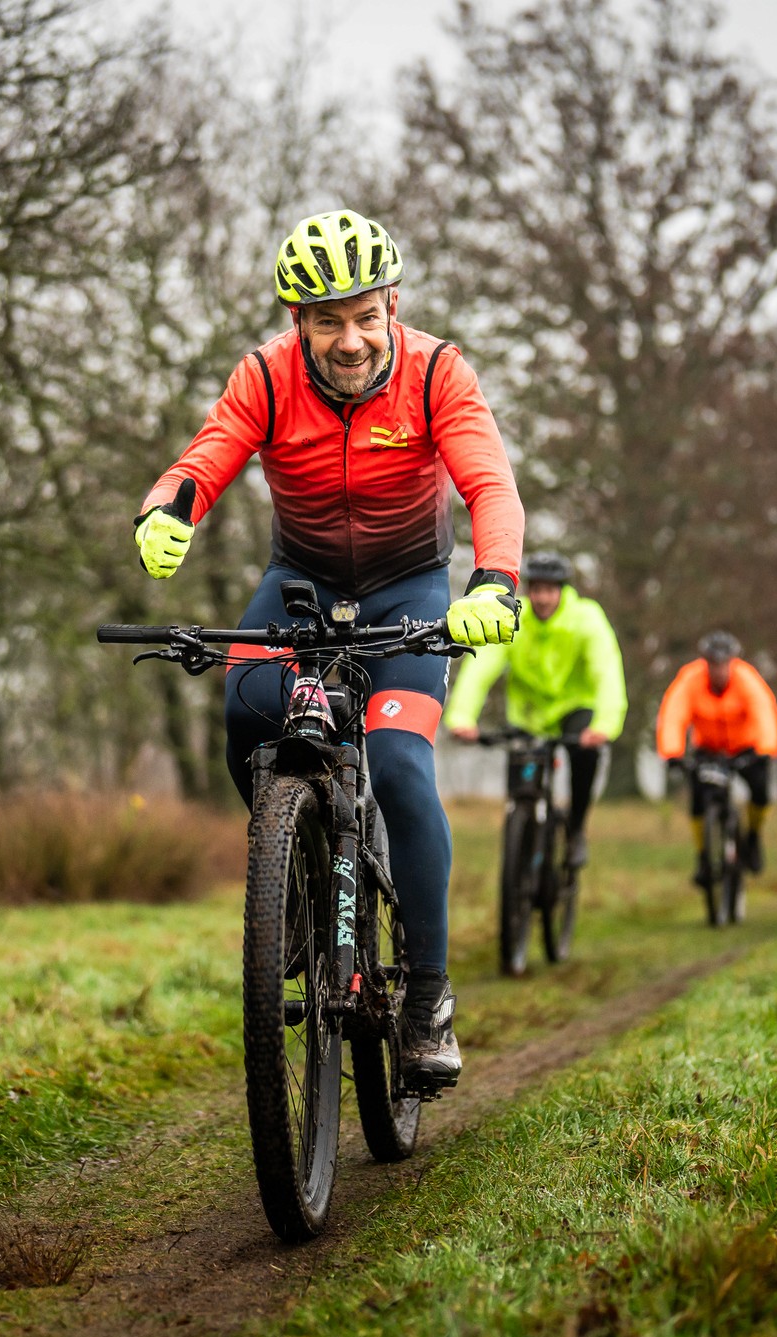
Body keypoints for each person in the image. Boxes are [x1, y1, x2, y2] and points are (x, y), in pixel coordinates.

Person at [131, 209, 525, 1090]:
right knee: (242, 711)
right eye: (325, 321)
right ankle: (297, 880)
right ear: (296, 322)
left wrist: (493, 579)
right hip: (301, 586)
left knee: (398, 759)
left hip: (410, 592)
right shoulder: (266, 377)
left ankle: (427, 994)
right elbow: (208, 454)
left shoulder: (437, 375)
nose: (349, 341)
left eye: (364, 317)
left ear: (392, 306)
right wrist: (168, 508)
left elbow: (489, 483)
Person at [444, 550, 627, 868]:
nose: (542, 597)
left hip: (575, 709)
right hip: (528, 715)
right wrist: (462, 717)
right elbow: (481, 668)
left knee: (585, 757)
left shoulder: (586, 618)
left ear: (561, 590)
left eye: (550, 589)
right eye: (536, 589)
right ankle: (522, 826)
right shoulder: (514, 617)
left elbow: (607, 671)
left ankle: (576, 831)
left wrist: (604, 725)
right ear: (528, 589)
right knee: (522, 781)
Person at [656, 631, 777, 883]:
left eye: (724, 664)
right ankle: (704, 856)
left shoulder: (747, 679)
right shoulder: (690, 679)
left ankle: (753, 838)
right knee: (699, 800)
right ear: (705, 663)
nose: (719, 670)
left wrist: (766, 750)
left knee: (760, 791)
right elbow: (673, 715)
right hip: (709, 749)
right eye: (713, 664)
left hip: (746, 748)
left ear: (732, 662)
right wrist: (673, 753)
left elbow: (764, 712)